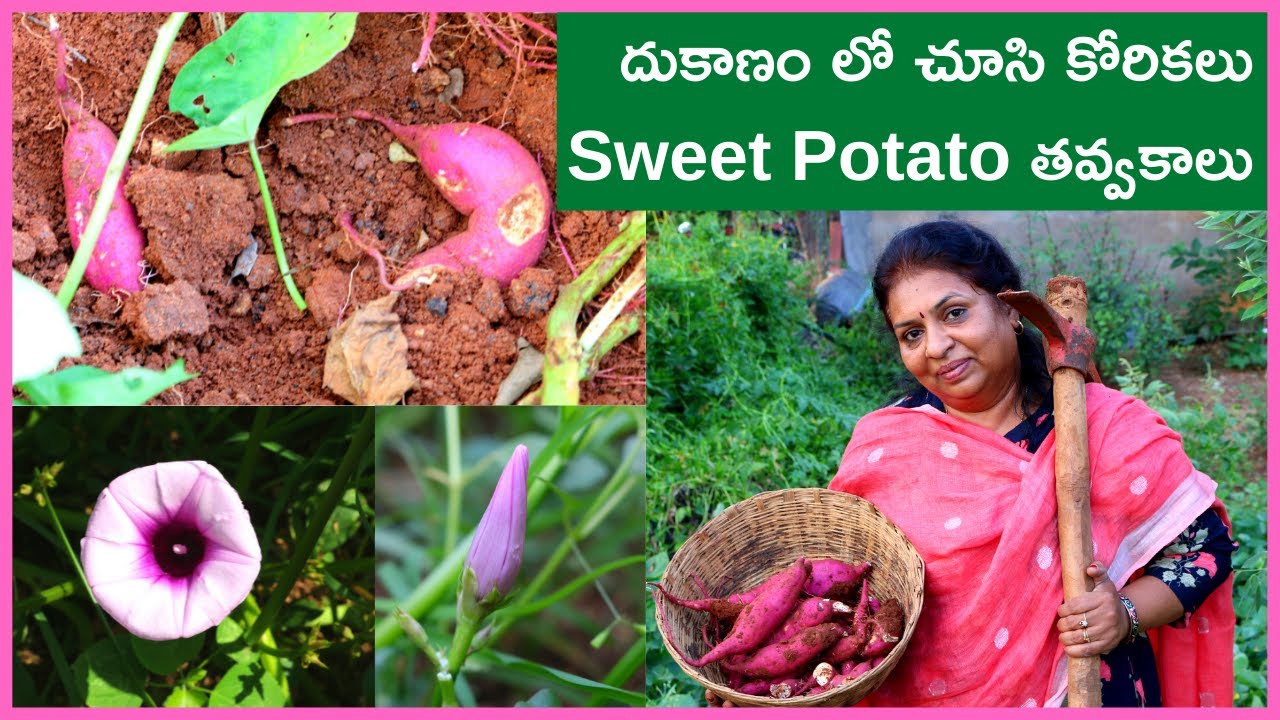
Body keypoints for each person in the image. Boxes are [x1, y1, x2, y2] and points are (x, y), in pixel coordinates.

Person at [825, 220, 1235, 707]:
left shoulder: (1099, 428)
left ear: (1009, 308)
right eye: (912, 333)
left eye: (954, 313)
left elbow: (1207, 550)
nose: (935, 346)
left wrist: (1123, 612)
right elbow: (844, 596)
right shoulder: (886, 446)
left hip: (1091, 692)